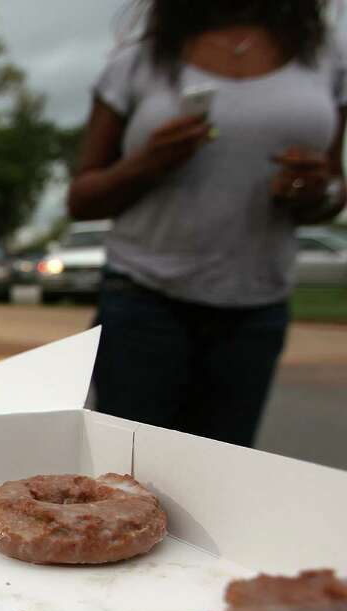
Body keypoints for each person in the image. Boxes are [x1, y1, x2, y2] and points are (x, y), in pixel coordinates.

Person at [69, 0, 346, 447]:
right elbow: (80, 198)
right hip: (144, 299)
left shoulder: (326, 57)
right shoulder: (141, 61)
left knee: (221, 477)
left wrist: (314, 192)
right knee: (137, 470)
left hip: (255, 304)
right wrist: (146, 164)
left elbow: (334, 186)